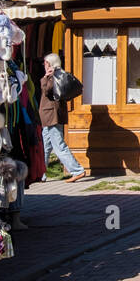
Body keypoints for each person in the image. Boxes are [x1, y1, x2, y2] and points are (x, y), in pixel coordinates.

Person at [41, 53, 89, 183]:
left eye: (45, 63)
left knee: (58, 145)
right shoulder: (59, 74)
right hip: (50, 116)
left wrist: (46, 78)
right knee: (45, 146)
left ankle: (77, 170)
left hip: (52, 116)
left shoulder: (53, 76)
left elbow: (47, 91)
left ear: (50, 63)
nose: (43, 65)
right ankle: (41, 174)